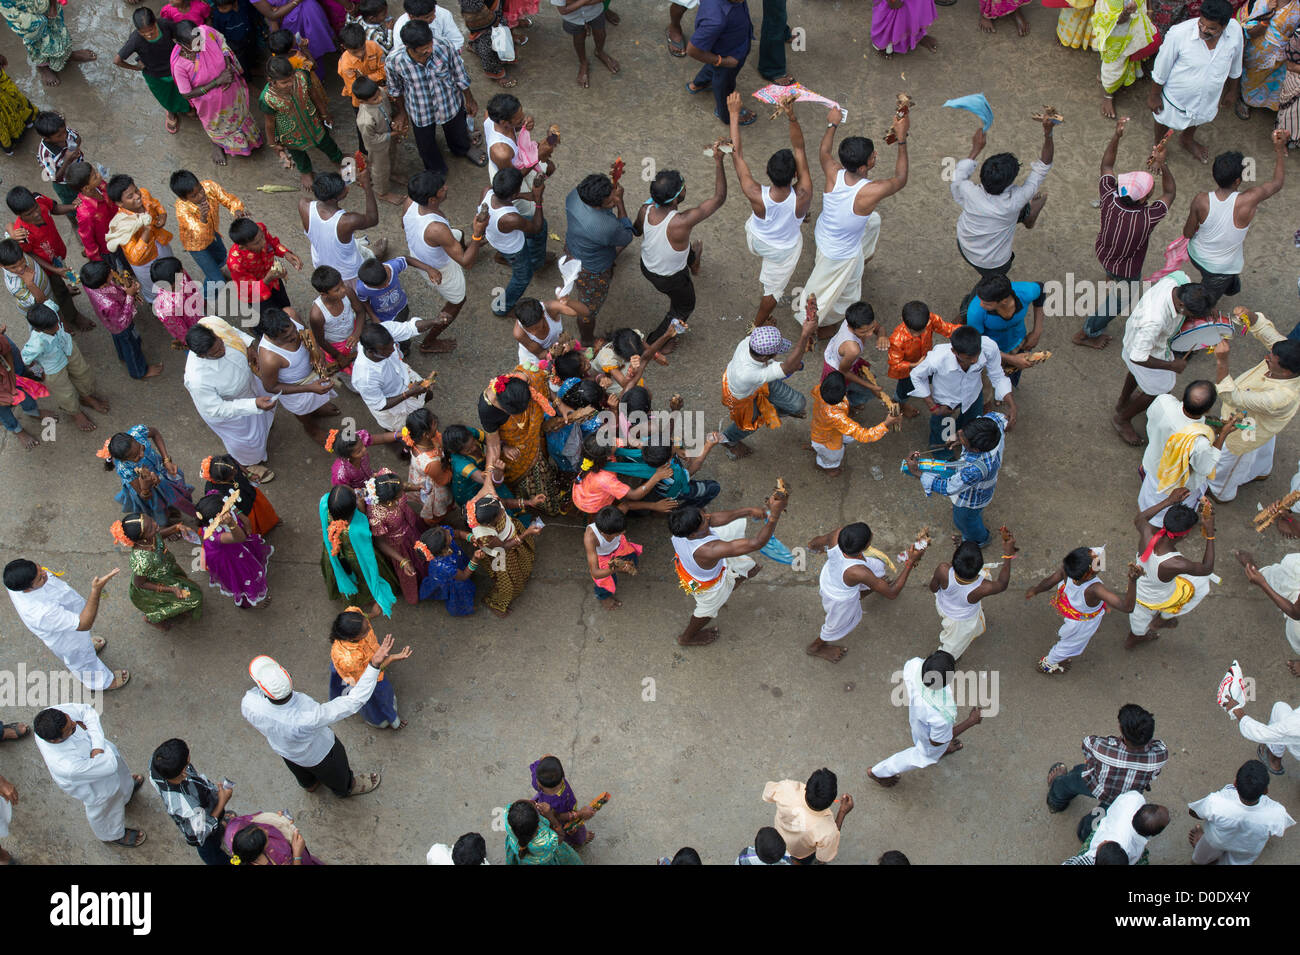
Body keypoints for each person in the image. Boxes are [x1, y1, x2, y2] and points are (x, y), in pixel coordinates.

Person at [803, 107, 909, 333]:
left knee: (874, 220)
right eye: (873, 156)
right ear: (864, 167)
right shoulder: (870, 191)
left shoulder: (833, 171)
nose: (876, 156)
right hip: (841, 254)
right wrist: (902, 140)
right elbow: (900, 179)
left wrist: (832, 124)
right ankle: (822, 327)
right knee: (848, 294)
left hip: (824, 235)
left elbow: (823, 150)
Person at [1075, 117, 1175, 349]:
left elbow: (1106, 166)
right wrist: (1163, 164)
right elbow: (1170, 192)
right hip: (1127, 269)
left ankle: (1110, 276)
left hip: (1104, 252)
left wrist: (1117, 135)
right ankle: (1088, 332)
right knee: (1119, 300)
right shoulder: (1148, 217)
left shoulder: (1109, 197)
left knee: (1112, 273)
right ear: (1144, 198)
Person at [241, 649, 390, 798]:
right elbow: (354, 701)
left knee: (302, 774)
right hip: (320, 754)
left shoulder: (248, 703)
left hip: (285, 751)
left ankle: (310, 785)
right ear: (290, 677)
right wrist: (373, 666)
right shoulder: (309, 717)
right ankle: (346, 788)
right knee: (338, 774)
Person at [728, 91, 812, 327]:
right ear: (795, 175)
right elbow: (800, 150)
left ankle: (758, 322)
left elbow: (737, 154)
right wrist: (791, 116)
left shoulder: (755, 193)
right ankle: (757, 323)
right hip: (782, 251)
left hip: (755, 240)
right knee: (772, 291)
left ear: (767, 172)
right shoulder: (803, 194)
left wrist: (733, 114)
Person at [667, 492, 786, 646]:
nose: (708, 517)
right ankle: (687, 638)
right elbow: (756, 543)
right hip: (707, 587)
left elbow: (712, 519)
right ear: (694, 533)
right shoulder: (710, 550)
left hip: (687, 570)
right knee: (707, 609)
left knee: (730, 527)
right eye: (703, 520)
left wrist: (749, 511)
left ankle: (734, 580)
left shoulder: (680, 529)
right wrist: (774, 517)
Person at [634, 151, 727, 344]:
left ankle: (693, 260)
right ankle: (656, 343)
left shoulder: (645, 209)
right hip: (669, 277)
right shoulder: (681, 222)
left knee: (683, 248)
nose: (685, 186)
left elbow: (636, 231)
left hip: (647, 265)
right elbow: (719, 198)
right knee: (683, 307)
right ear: (676, 199)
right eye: (683, 186)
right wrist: (719, 161)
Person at [1184, 135, 1287, 305]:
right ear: (1238, 180)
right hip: (1220, 269)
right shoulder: (1249, 199)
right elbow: (1277, 183)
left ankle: (1226, 283)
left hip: (1196, 255)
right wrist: (1279, 149)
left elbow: (1187, 233)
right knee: (1204, 302)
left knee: (1216, 279)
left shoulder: (1200, 200)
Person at [1112, 273, 1213, 446]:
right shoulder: (1154, 321)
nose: (1195, 318)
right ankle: (1121, 419)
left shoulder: (1180, 281)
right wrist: (1171, 365)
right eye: (1193, 314)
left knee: (1137, 374)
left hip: (1149, 343)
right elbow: (1138, 357)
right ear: (1181, 304)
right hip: (1144, 349)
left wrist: (1206, 310)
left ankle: (1124, 400)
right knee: (1158, 388)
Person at [951, 117, 1053, 285]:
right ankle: (966, 311)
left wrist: (976, 149)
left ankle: (1028, 214)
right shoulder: (1017, 198)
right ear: (1011, 182)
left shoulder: (968, 190)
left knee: (1019, 209)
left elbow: (959, 175)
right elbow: (1044, 165)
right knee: (991, 287)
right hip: (993, 263)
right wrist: (1048, 134)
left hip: (964, 245)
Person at [1207, 323, 1300, 503]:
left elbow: (1230, 396)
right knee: (1264, 444)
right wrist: (1252, 317)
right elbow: (1268, 333)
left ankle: (1221, 493)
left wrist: (1222, 361)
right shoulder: (1289, 360)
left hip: (1245, 431)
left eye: (1270, 360)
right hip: (1262, 424)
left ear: (1286, 371)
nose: (1266, 358)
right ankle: (1261, 471)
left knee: (1228, 463)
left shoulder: (1281, 397)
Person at [804, 522, 923, 662]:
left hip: (831, 574)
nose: (872, 535)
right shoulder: (858, 572)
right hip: (838, 597)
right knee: (835, 624)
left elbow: (813, 544)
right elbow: (892, 593)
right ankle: (816, 647)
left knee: (878, 569)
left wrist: (816, 549)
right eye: (870, 537)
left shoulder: (837, 535)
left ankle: (870, 588)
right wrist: (911, 562)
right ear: (866, 547)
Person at [4, 559, 127, 691]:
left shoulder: (16, 580)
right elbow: (84, 623)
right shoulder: (42, 613)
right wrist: (96, 591)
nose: (44, 573)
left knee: (84, 647)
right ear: (27, 588)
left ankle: (88, 648)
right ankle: (102, 682)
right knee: (82, 660)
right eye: (40, 578)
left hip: (68, 617)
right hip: (67, 638)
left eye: (39, 567)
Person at [402, 170, 490, 352]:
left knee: (458, 235)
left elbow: (404, 224)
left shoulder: (410, 201)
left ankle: (467, 249)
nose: (446, 188)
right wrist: (477, 234)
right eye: (441, 189)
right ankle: (428, 343)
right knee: (458, 301)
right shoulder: (437, 229)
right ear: (433, 200)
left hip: (421, 252)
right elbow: (467, 263)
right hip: (439, 267)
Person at [33, 705, 144, 848]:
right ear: (55, 740)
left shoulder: (49, 716)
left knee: (122, 778)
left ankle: (126, 792)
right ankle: (112, 834)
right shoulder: (67, 766)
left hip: (100, 756)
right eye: (71, 729)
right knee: (105, 807)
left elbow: (85, 711)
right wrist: (93, 733)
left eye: (71, 720)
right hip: (94, 786)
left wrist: (97, 747)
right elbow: (109, 765)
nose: (75, 723)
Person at [869, 651, 984, 787]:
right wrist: (971, 721)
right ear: (949, 679)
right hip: (928, 733)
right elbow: (936, 741)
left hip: (917, 714)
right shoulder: (943, 713)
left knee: (919, 731)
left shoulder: (914, 664)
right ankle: (878, 772)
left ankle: (938, 748)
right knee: (923, 755)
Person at [1149, 0, 1244, 162]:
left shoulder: (1235, 31)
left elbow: (1236, 63)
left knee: (1198, 116)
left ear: (1224, 26)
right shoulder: (1179, 34)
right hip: (1175, 97)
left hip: (1208, 98)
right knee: (1163, 119)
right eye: (1201, 23)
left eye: (1212, 28)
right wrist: (1154, 95)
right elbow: (1161, 67)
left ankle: (1187, 139)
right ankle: (1158, 146)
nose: (1203, 30)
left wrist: (1232, 91)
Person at [387, 19, 485, 175]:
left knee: (457, 131)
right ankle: (435, 168)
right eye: (423, 49)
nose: (430, 50)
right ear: (409, 47)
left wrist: (469, 99)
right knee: (425, 144)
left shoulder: (444, 46)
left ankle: (462, 148)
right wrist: (401, 112)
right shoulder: (394, 61)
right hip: (420, 109)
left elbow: (459, 74)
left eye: (430, 45)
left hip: (449, 102)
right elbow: (395, 90)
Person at [184, 320, 278, 480]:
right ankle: (248, 464)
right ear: (202, 356)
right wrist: (253, 404)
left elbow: (234, 332)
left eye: (220, 343)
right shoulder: (197, 379)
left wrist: (249, 347)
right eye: (216, 352)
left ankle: (263, 428)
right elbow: (217, 408)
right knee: (246, 440)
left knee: (262, 418)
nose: (223, 350)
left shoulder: (211, 323)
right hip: (232, 411)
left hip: (250, 387)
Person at [1025, 547, 1142, 674]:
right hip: (1081, 623)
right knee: (1069, 646)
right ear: (1089, 575)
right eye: (1096, 560)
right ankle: (1048, 664)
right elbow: (1128, 607)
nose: (1097, 556)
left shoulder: (1069, 568)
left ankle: (1054, 660)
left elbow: (1049, 582)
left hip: (1069, 601)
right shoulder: (1095, 589)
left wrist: (1035, 590)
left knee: (1070, 641)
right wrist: (1132, 581)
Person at [904, 413, 1010, 545]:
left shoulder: (973, 469)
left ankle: (979, 540)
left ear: (976, 450)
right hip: (981, 489)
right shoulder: (992, 423)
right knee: (971, 516)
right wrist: (961, 438)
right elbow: (1003, 417)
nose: (959, 434)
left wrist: (916, 472)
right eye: (962, 432)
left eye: (964, 440)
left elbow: (947, 487)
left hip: (971, 500)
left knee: (965, 521)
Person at [1128, 491, 1216, 647]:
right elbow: (1207, 568)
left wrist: (1168, 501)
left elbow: (1139, 518)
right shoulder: (1175, 563)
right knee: (1202, 585)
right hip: (1154, 599)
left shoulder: (1147, 532)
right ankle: (1156, 623)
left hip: (1137, 588)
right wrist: (1210, 534)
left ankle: (1140, 634)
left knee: (1138, 625)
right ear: (1185, 536)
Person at [171, 19, 263, 167]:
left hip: (231, 90)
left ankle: (248, 139)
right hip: (212, 106)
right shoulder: (180, 66)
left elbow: (222, 42)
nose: (200, 45)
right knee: (218, 126)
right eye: (194, 44)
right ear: (178, 43)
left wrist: (227, 68)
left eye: (200, 39)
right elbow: (186, 94)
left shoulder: (206, 31)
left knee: (240, 116)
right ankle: (217, 144)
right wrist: (217, 81)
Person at [720, 319, 819, 458]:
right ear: (765, 357)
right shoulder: (748, 373)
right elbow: (788, 368)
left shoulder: (749, 342)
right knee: (749, 425)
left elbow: (785, 367)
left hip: (758, 383)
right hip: (741, 397)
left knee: (797, 404)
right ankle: (729, 440)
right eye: (776, 352)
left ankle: (773, 410)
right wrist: (804, 335)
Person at [1136, 381, 1230, 521]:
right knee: (1168, 512)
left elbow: (1151, 416)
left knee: (1149, 499)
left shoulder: (1163, 401)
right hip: (1177, 484)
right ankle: (1160, 525)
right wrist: (1222, 434)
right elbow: (1205, 467)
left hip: (1154, 464)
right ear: (1207, 410)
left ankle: (1146, 515)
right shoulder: (1199, 442)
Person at [478, 373, 569, 514]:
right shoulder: (487, 409)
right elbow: (493, 444)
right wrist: (488, 481)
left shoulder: (523, 378)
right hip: (516, 451)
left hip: (534, 440)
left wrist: (560, 404)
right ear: (504, 408)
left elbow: (542, 381)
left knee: (545, 470)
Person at [563, 173, 635, 346]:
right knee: (587, 310)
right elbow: (627, 236)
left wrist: (612, 197)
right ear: (597, 204)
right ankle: (587, 339)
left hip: (573, 248)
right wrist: (620, 203)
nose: (613, 197)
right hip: (592, 271)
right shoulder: (605, 227)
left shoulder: (574, 196)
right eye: (609, 200)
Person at [256, 306, 340, 447]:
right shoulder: (269, 358)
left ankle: (317, 409)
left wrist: (317, 352)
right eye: (287, 338)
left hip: (314, 377)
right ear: (273, 338)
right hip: (296, 391)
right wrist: (309, 388)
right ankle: (310, 428)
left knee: (318, 398)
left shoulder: (291, 313)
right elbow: (271, 387)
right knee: (303, 412)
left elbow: (307, 333)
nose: (295, 336)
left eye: (293, 330)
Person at [21, 304, 109, 433]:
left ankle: (86, 397)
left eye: (57, 323)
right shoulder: (36, 344)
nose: (57, 327)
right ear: (39, 329)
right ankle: (75, 413)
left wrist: (65, 326)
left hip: (69, 348)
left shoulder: (50, 308)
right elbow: (26, 360)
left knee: (83, 373)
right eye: (53, 328)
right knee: (65, 393)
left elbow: (56, 308)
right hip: (53, 367)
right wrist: (40, 373)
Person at [1188, 759, 1294, 864]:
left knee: (1202, 855)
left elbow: (1194, 812)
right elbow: (1279, 827)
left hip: (1216, 840)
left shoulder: (1216, 801)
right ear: (1266, 791)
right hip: (1247, 848)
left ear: (1235, 783)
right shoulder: (1277, 812)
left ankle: (1203, 856)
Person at [149, 738, 234, 865]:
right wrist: (222, 802)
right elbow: (198, 835)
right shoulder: (186, 807)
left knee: (216, 830)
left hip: (204, 810)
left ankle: (219, 827)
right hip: (204, 834)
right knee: (212, 853)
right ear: (183, 770)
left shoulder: (157, 764)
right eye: (188, 758)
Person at [263, 57, 344, 191]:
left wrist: (324, 113)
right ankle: (306, 171)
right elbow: (269, 123)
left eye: (291, 79)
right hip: (290, 131)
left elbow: (313, 95)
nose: (290, 84)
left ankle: (338, 159)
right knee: (297, 152)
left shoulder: (302, 76)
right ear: (271, 81)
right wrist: (273, 144)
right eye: (284, 82)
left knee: (326, 141)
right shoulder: (267, 99)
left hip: (312, 122)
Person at [113, 513, 205, 630]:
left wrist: (176, 527)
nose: (155, 524)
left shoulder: (150, 537)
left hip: (169, 571)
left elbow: (159, 536)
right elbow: (139, 583)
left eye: (151, 520)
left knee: (188, 591)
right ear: (142, 538)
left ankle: (181, 607)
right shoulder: (142, 561)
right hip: (158, 585)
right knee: (195, 597)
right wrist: (171, 589)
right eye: (151, 528)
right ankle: (152, 618)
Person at [928, 536, 1015, 658]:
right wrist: (1008, 554)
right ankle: (950, 658)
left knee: (953, 641)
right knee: (955, 646)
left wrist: (960, 548)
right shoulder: (982, 587)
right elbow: (1002, 584)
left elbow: (933, 588)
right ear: (979, 569)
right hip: (962, 622)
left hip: (943, 607)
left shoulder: (943, 569)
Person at [328, 607, 413, 729]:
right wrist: (390, 659)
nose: (369, 629)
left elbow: (363, 617)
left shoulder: (353, 614)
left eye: (367, 624)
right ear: (352, 639)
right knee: (379, 699)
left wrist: (373, 613)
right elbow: (368, 677)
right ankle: (387, 720)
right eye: (364, 632)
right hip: (362, 677)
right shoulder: (349, 659)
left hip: (362, 666)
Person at [352, 319, 442, 431]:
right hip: (392, 405)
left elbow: (410, 328)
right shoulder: (364, 377)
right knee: (403, 429)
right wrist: (408, 394)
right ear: (371, 351)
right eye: (386, 350)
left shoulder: (384, 333)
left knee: (428, 395)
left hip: (406, 379)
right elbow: (380, 404)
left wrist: (434, 321)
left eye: (392, 345)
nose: (392, 350)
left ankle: (419, 414)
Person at [482, 168, 548, 319]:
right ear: (513, 193)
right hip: (513, 249)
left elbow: (507, 196)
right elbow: (535, 228)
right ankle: (501, 308)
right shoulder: (511, 219)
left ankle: (536, 261)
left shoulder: (487, 191)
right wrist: (537, 200)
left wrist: (526, 196)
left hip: (497, 235)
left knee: (542, 224)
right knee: (522, 277)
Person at [79, 262, 161, 381]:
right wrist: (130, 296)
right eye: (109, 275)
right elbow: (123, 320)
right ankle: (139, 371)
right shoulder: (108, 305)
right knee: (131, 347)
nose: (112, 274)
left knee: (120, 341)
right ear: (102, 285)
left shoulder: (89, 284)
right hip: (122, 327)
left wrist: (126, 290)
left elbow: (112, 287)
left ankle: (123, 355)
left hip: (111, 324)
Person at [115, 8, 192, 136]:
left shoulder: (165, 24)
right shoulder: (135, 39)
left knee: (182, 90)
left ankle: (185, 108)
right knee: (165, 96)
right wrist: (136, 67)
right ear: (138, 31)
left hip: (174, 67)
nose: (149, 35)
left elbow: (180, 35)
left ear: (156, 22)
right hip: (154, 74)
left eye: (151, 31)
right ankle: (171, 111)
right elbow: (117, 60)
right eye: (144, 34)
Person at [169, 169, 247, 294]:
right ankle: (202, 298)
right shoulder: (182, 208)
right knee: (218, 282)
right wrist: (203, 218)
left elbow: (228, 199)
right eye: (194, 195)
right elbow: (196, 232)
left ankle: (214, 273)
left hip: (213, 234)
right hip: (196, 246)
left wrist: (237, 210)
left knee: (221, 257)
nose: (201, 195)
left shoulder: (209, 186)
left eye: (200, 189)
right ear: (184, 198)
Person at [6, 185, 80, 315]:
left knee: (61, 275)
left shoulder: (38, 198)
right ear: (19, 215)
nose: (37, 214)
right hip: (47, 267)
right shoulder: (22, 234)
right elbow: (31, 254)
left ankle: (63, 287)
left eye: (36, 208)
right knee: (59, 290)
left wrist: (72, 206)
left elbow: (54, 208)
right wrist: (55, 270)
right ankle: (73, 317)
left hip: (57, 252)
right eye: (29, 214)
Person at [808, 371, 899, 476]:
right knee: (833, 457)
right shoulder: (837, 417)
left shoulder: (819, 389)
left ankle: (818, 449)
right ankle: (828, 468)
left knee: (843, 439)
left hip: (821, 429)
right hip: (828, 441)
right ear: (844, 393)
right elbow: (864, 435)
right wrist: (886, 423)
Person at [196, 491, 274, 608]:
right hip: (231, 559)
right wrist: (232, 523)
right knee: (243, 579)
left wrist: (241, 516)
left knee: (252, 561)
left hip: (238, 548)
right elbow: (240, 538)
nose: (229, 508)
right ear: (217, 518)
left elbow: (225, 499)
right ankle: (250, 601)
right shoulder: (214, 536)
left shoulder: (216, 500)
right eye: (226, 509)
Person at [105, 175, 175, 306]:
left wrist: (163, 215)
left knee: (172, 271)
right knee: (154, 287)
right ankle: (157, 305)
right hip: (145, 262)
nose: (137, 196)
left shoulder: (143, 194)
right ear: (119, 203)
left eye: (136, 190)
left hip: (160, 242)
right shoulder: (122, 225)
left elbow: (155, 204)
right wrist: (147, 232)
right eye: (130, 196)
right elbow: (136, 257)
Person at [684, 0, 756, 126]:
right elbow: (692, 50)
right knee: (725, 84)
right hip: (729, 56)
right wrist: (722, 61)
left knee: (714, 69)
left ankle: (698, 84)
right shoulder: (716, 20)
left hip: (732, 43)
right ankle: (726, 113)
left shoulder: (726, 9)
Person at [468, 493, 540, 616]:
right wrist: (525, 534)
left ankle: (521, 577)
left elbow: (505, 503)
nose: (503, 510)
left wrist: (529, 502)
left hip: (512, 539)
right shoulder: (484, 535)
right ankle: (495, 604)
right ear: (490, 523)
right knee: (507, 585)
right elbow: (502, 547)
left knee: (524, 562)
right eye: (500, 513)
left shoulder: (491, 504)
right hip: (501, 556)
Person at [365, 469, 430, 604]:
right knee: (413, 565)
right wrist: (402, 560)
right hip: (400, 546)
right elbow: (380, 542)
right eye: (401, 492)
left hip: (412, 528)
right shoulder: (377, 516)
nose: (403, 493)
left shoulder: (387, 483)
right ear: (390, 501)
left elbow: (402, 485)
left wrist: (416, 487)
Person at [761, 769, 851, 864]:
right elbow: (823, 857)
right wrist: (842, 812)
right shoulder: (828, 830)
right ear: (831, 802)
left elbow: (767, 794)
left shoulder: (787, 788)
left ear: (806, 787)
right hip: (801, 854)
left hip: (778, 837)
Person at [0, 0, 96, 88]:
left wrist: (52, 5)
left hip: (47, 6)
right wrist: (38, 22)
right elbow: (12, 14)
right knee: (37, 42)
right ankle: (43, 66)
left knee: (58, 29)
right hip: (25, 18)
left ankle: (67, 54)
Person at [887, 301, 959, 415]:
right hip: (908, 372)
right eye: (913, 332)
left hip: (928, 361)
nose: (917, 335)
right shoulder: (896, 340)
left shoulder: (930, 319)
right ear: (903, 320)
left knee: (935, 378)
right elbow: (895, 364)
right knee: (904, 390)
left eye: (922, 330)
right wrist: (913, 365)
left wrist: (964, 334)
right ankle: (899, 404)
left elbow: (946, 328)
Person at [0, 237, 83, 330]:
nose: (20, 268)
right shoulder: (15, 287)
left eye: (22, 262)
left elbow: (9, 227)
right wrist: (30, 284)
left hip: (47, 291)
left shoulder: (18, 254)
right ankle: (63, 327)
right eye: (14, 267)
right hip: (39, 306)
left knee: (55, 303)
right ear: (1, 265)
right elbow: (42, 302)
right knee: (52, 314)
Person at [1095, 0, 1160, 117]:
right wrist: (1126, 13)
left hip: (1134, 26)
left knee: (1131, 53)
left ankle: (1109, 77)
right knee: (1114, 63)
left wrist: (1148, 10)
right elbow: (1111, 21)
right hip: (1117, 34)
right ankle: (1107, 94)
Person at [1238, 0, 1300, 119]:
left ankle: (1266, 102)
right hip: (1259, 49)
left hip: (1284, 52)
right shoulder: (1263, 2)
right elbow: (1250, 32)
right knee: (1252, 78)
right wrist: (1266, 18)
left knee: (1274, 79)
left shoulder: (1297, 6)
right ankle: (1244, 100)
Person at [227, 217, 301, 312]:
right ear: (243, 247)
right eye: (257, 243)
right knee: (271, 317)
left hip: (274, 281)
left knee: (285, 305)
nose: (264, 242)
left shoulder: (259, 229)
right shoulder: (236, 264)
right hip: (257, 296)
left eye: (262, 237)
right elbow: (247, 291)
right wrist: (267, 279)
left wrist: (285, 253)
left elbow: (272, 243)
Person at [307, 266, 365, 386]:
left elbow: (360, 312)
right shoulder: (317, 315)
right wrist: (338, 356)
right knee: (349, 375)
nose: (343, 289)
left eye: (342, 284)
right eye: (337, 290)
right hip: (335, 347)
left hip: (354, 334)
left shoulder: (348, 292)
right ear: (324, 294)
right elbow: (321, 341)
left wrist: (356, 333)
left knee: (364, 364)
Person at [1077, 790, 1170, 863]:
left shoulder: (1135, 799)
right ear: (1153, 834)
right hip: (1098, 848)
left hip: (1104, 828)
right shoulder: (1121, 851)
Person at [1226, 686, 1300, 775]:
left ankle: (1273, 760)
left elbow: (1262, 734)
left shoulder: (1295, 724)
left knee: (1279, 708)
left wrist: (1237, 711)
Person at [530, 754, 597, 848]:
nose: (559, 789)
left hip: (545, 802)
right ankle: (581, 839)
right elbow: (557, 816)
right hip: (564, 819)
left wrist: (544, 759)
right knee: (574, 832)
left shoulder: (536, 779)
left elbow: (538, 764)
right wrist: (580, 814)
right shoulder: (554, 801)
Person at [582, 505, 642, 609]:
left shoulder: (615, 516)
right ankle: (604, 597)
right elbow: (595, 573)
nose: (623, 533)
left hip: (620, 547)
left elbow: (629, 504)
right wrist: (615, 569)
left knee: (632, 559)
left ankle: (626, 568)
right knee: (605, 581)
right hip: (604, 557)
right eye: (618, 533)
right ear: (604, 534)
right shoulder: (590, 538)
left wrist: (655, 505)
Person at [204, 453, 280, 536]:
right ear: (220, 480)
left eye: (235, 469)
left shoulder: (227, 461)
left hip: (250, 493)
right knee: (252, 526)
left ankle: (271, 523)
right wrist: (242, 517)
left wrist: (248, 473)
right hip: (242, 509)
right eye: (232, 475)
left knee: (264, 511)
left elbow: (236, 463)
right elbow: (225, 507)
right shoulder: (213, 491)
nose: (236, 472)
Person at [251, 0, 341, 69]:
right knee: (299, 51)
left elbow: (274, 14)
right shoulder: (292, 57)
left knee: (314, 46)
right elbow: (272, 15)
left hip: (308, 13)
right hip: (287, 24)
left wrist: (280, 10)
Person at [353, 77, 401, 206]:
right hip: (377, 146)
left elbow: (384, 96)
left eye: (378, 94)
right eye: (375, 99)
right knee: (380, 169)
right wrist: (391, 134)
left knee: (392, 155)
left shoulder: (378, 92)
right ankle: (382, 192)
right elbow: (371, 140)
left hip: (388, 135)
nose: (380, 98)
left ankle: (392, 174)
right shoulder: (365, 120)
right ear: (362, 101)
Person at [552, 0, 619, 87]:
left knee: (601, 34)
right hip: (573, 19)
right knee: (578, 39)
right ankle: (583, 62)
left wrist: (572, 3)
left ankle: (599, 51)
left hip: (595, 12)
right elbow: (563, 10)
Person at [404, 407, 453, 525]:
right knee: (437, 511)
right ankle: (433, 522)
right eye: (434, 423)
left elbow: (439, 439)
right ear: (426, 434)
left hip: (426, 475)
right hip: (436, 483)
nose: (436, 421)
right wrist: (452, 465)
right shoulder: (431, 462)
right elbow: (444, 480)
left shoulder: (418, 438)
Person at [0, 331, 48, 451]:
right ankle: (17, 429)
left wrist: (12, 376)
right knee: (3, 411)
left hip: (7, 373)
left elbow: (7, 351)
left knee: (21, 388)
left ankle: (32, 410)